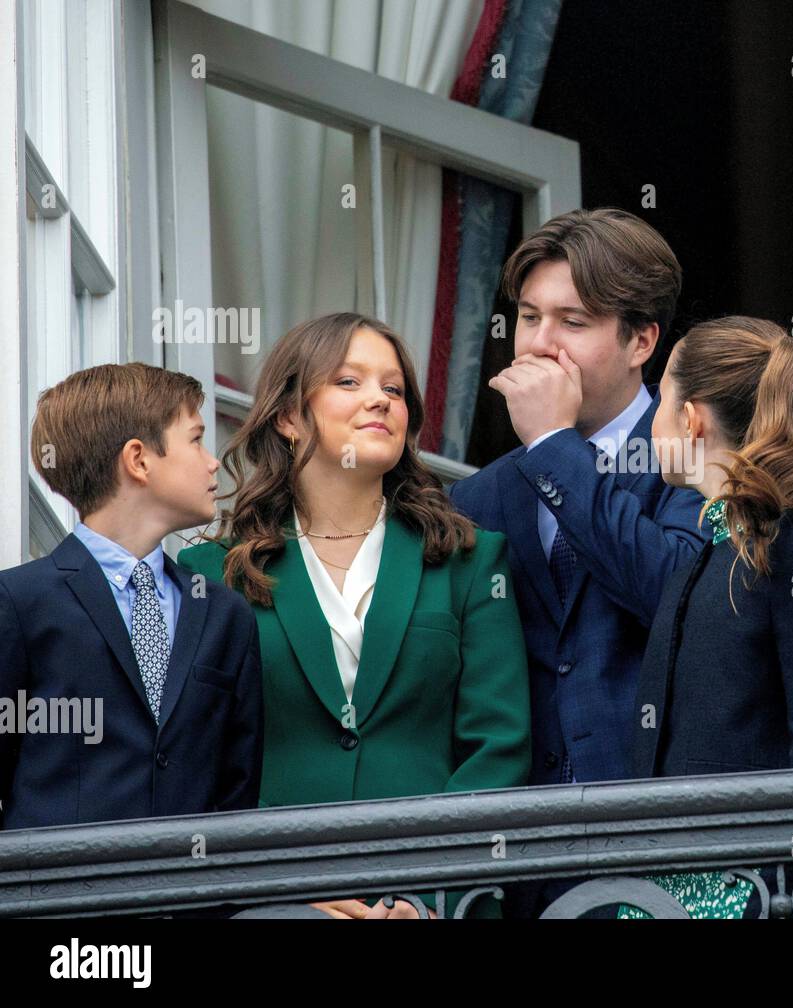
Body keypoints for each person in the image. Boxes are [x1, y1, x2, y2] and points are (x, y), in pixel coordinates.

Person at [179, 313, 530, 920]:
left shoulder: (471, 559)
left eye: (393, 389)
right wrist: (283, 886)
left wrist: (425, 900)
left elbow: (497, 748)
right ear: (289, 417)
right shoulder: (213, 572)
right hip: (274, 909)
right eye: (348, 382)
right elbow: (200, 763)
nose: (379, 400)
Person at [448, 209, 707, 915]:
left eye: (573, 321)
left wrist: (556, 441)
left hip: (658, 849)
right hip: (515, 863)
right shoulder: (472, 497)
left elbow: (674, 599)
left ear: (641, 340)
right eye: (530, 317)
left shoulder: (693, 460)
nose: (540, 344)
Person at [622, 316, 793, 919]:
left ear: (691, 418)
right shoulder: (708, 549)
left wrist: (786, 903)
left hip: (763, 900)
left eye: (661, 398)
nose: (652, 421)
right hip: (670, 896)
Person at [1, 363, 262, 831]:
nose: (213, 461)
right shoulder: (19, 602)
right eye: (196, 439)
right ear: (138, 459)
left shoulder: (225, 613)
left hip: (192, 897)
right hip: (60, 898)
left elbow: (237, 791)